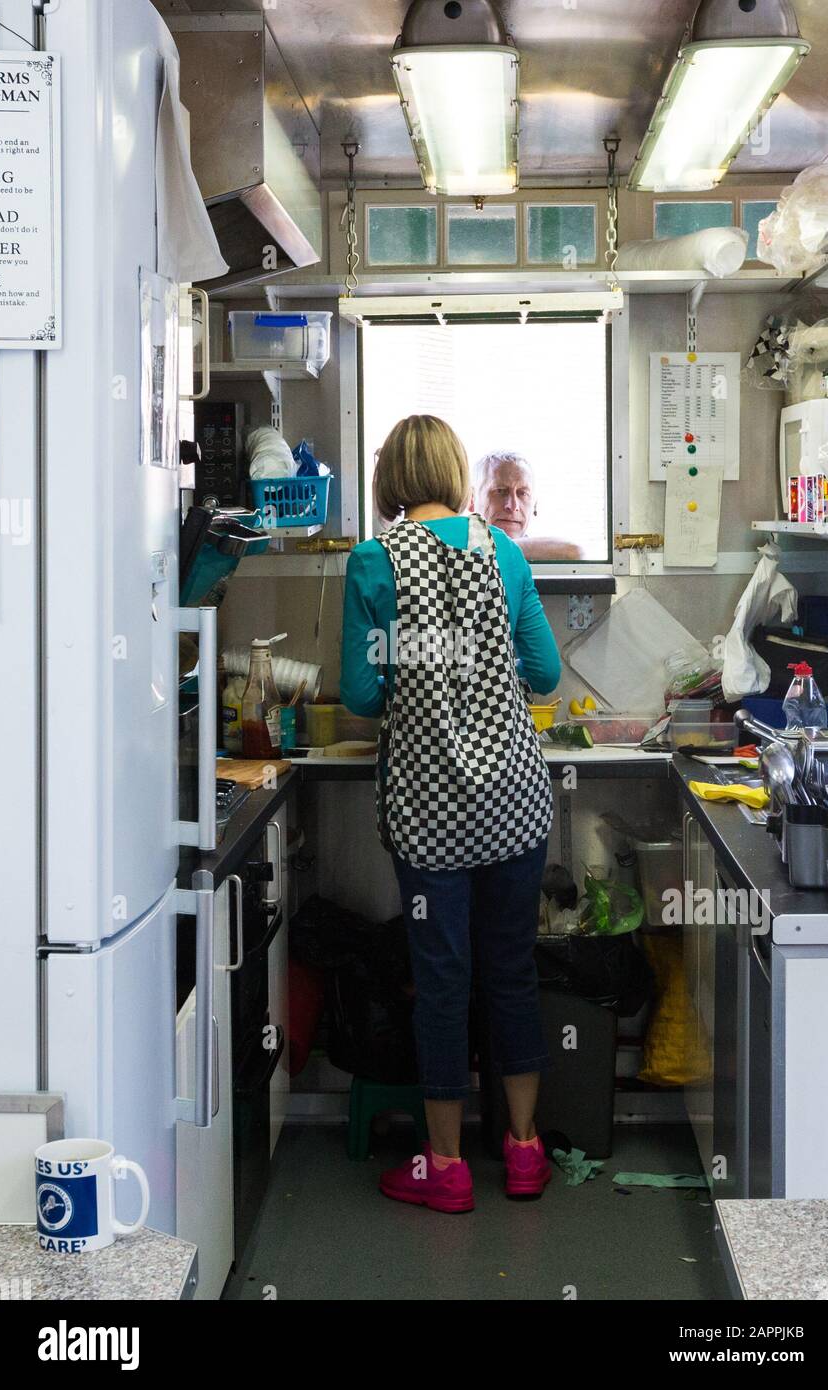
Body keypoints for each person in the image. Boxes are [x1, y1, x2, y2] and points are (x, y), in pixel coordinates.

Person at [340, 415, 562, 1214]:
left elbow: (364, 697)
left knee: (442, 983)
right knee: (511, 973)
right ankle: (527, 1150)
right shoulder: (501, 552)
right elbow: (542, 672)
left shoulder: (372, 562)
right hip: (511, 803)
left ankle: (446, 1164)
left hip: (431, 813)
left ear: (391, 482)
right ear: (458, 475)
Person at [472, 450, 583, 562]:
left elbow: (574, 552)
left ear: (535, 505)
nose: (513, 506)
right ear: (471, 500)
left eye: (523, 493)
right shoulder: (455, 550)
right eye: (500, 491)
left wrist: (490, 550)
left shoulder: (549, 564)